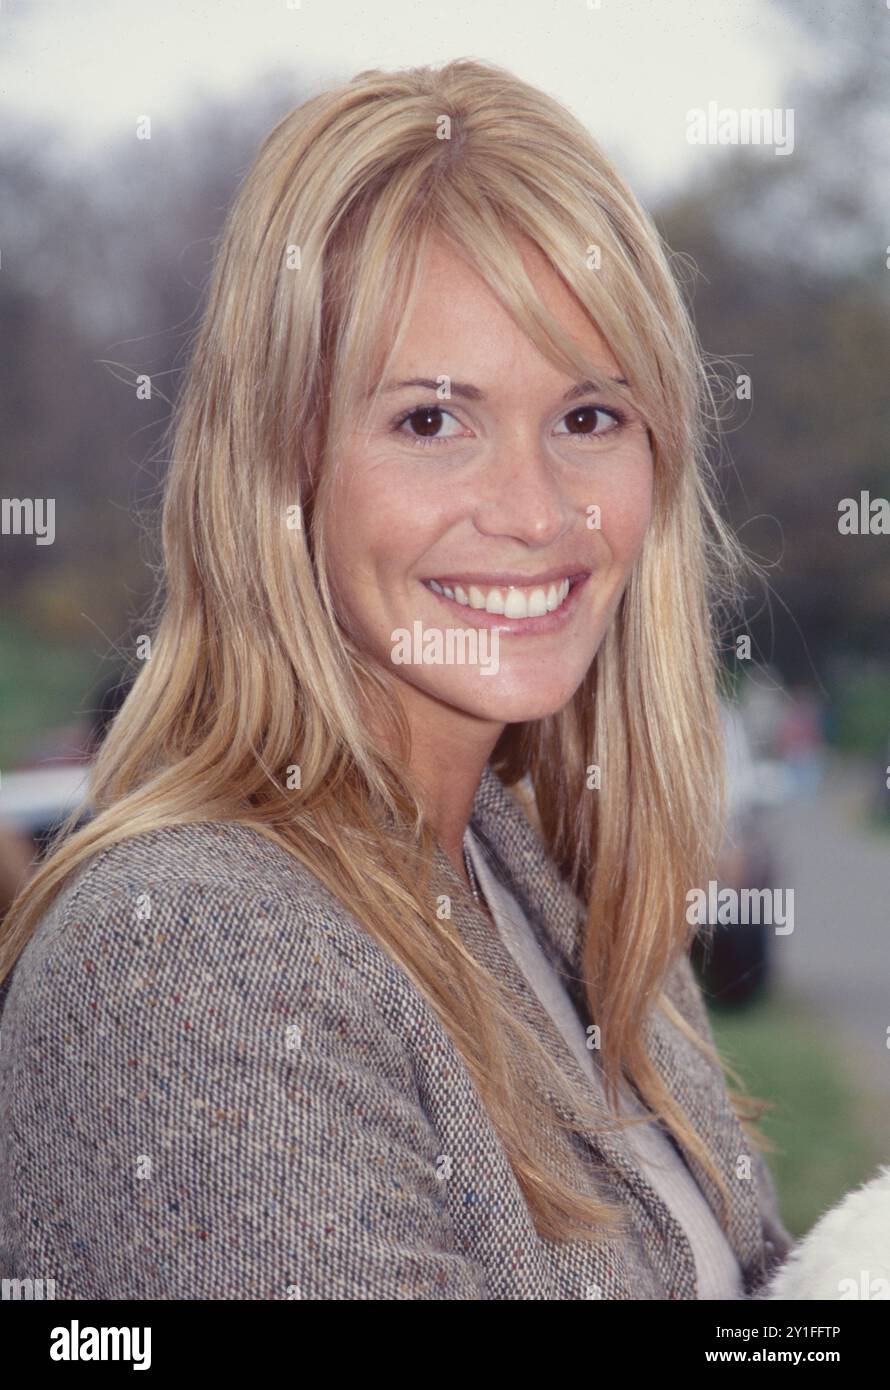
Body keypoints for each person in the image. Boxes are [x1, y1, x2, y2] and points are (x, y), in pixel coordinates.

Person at [0, 58, 792, 1300]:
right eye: (432, 420)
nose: (536, 513)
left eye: (588, 416)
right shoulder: (194, 956)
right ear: (282, 466)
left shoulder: (553, 884)